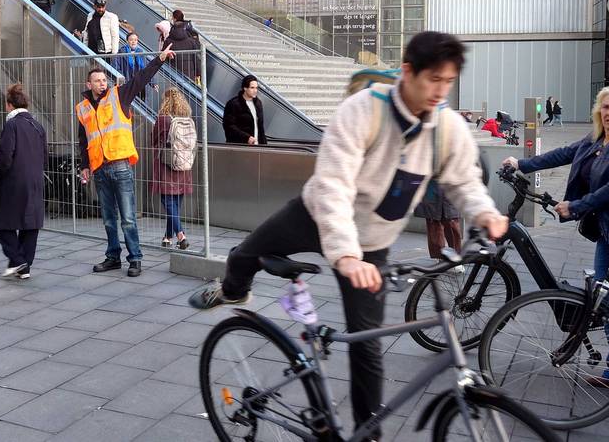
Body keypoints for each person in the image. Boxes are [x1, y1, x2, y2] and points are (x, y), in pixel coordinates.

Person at [188, 32, 507, 440]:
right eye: (433, 79)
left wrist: (484, 212)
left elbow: (462, 179)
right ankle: (233, 291)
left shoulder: (445, 127)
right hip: (316, 215)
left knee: (367, 344)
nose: (440, 91)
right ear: (407, 72)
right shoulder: (364, 111)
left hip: (372, 243)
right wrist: (345, 256)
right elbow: (333, 184)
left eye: (448, 81)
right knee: (246, 252)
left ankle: (366, 433)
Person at [503, 86, 609, 402]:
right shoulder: (596, 140)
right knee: (607, 302)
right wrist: (521, 164)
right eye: (605, 107)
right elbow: (563, 153)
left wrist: (575, 206)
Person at [78, 47, 175, 278]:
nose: (103, 83)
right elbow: (83, 139)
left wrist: (159, 59)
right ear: (88, 84)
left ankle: (135, 258)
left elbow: (141, 79)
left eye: (104, 80)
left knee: (128, 218)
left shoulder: (119, 95)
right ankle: (113, 256)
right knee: (109, 219)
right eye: (97, 81)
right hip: (99, 167)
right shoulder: (82, 108)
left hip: (120, 165)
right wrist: (84, 165)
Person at [0, 84, 47, 280]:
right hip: (36, 180)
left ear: (9, 105)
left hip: (14, 181)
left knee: (2, 223)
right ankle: (24, 267)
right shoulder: (38, 126)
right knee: (30, 225)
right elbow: (45, 156)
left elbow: (5, 156)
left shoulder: (11, 125)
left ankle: (17, 258)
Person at [152, 88, 193, 250]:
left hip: (167, 165)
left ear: (165, 101)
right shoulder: (186, 118)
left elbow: (154, 139)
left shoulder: (163, 118)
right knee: (176, 202)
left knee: (167, 200)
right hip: (184, 165)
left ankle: (181, 235)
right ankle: (168, 237)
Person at [416, 182, 461, 261]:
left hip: (450, 184)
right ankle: (440, 256)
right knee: (433, 223)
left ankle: (456, 256)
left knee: (452, 222)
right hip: (431, 186)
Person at [223, 74, 266, 145]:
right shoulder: (233, 104)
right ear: (245, 88)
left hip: (257, 146)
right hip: (241, 146)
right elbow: (229, 126)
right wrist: (246, 138)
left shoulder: (258, 103)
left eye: (256, 88)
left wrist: (264, 145)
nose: (255, 91)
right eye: (252, 88)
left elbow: (261, 128)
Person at [162, 9, 201, 83]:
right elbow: (196, 57)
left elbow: (162, 56)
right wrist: (198, 72)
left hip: (173, 73)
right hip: (190, 74)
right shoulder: (191, 40)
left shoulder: (168, 41)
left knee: (174, 93)